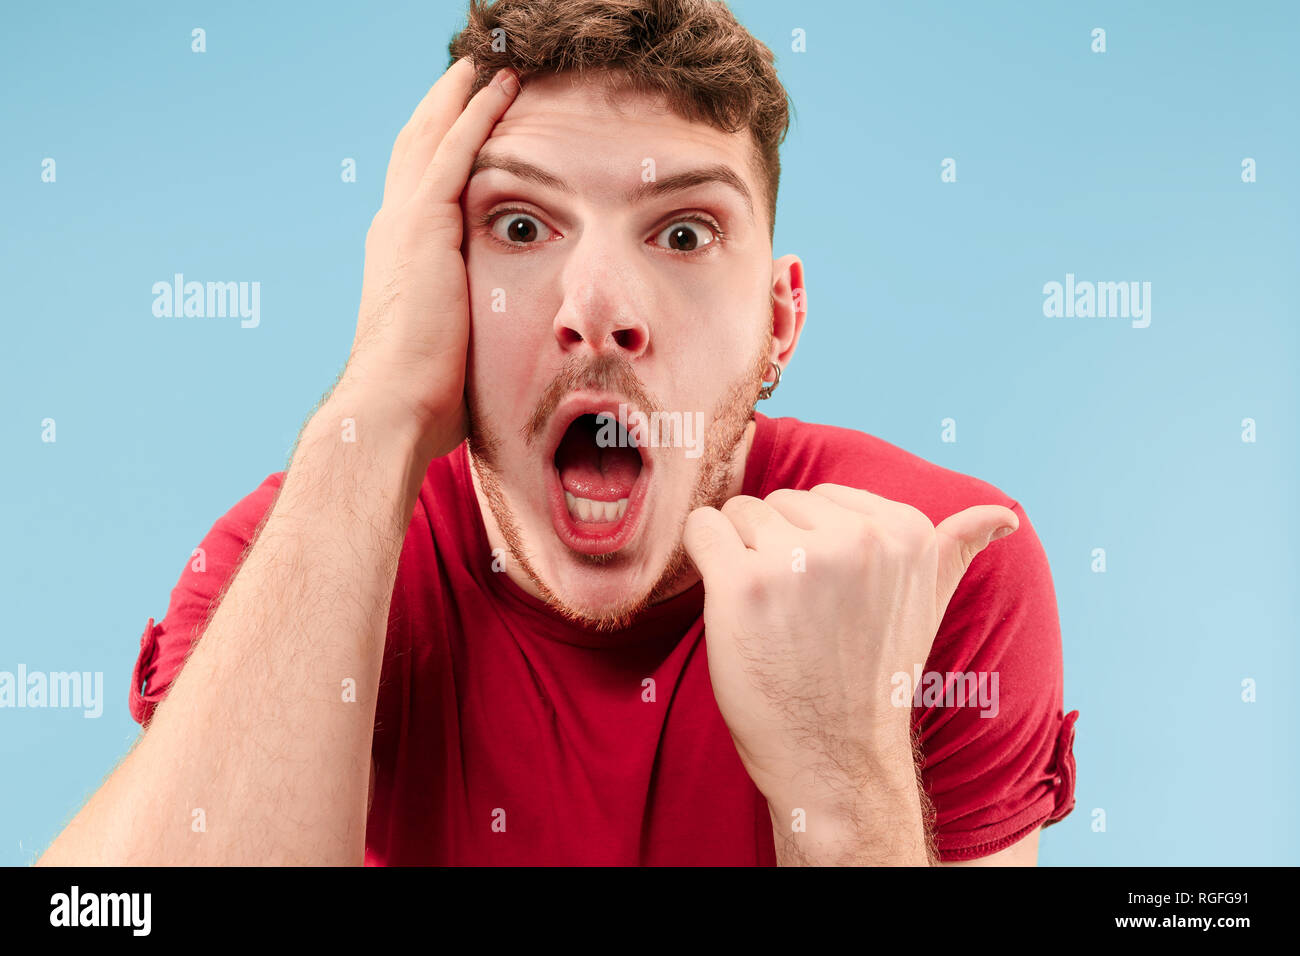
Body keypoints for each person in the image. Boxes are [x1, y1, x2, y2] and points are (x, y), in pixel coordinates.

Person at [39, 0, 1077, 866]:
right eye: (521, 227)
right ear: (438, 287)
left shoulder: (930, 563)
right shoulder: (294, 558)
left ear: (778, 319)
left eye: (681, 232)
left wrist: (843, 780)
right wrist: (378, 396)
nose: (597, 306)